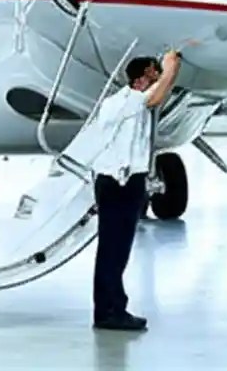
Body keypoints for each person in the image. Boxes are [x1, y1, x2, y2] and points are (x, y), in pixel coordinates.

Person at [88, 50, 181, 331]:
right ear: (143, 76)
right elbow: (155, 96)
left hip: (126, 183)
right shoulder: (125, 101)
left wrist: (169, 74)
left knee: (117, 251)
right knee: (113, 251)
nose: (157, 80)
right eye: (154, 73)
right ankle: (108, 313)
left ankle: (114, 308)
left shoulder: (133, 102)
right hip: (119, 183)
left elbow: (158, 96)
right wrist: (171, 68)